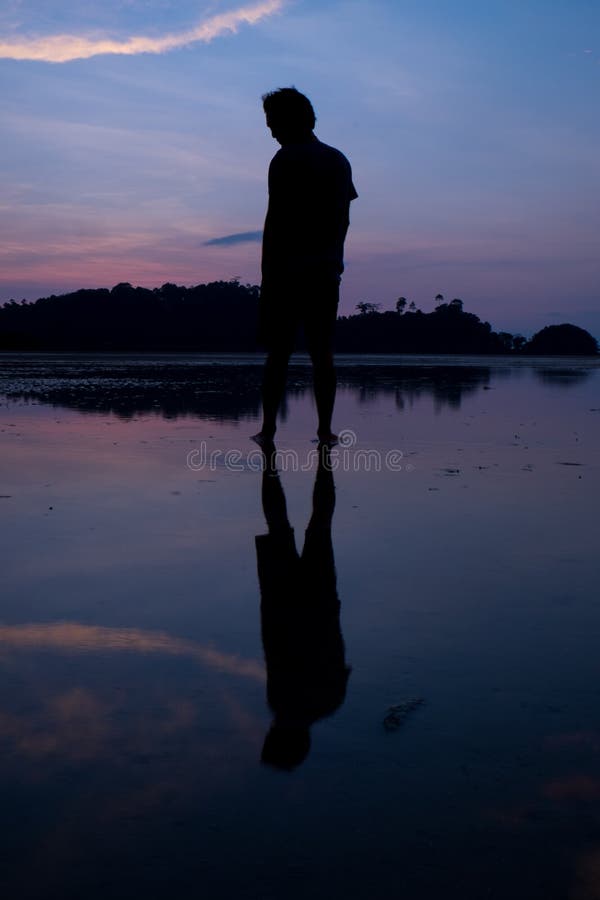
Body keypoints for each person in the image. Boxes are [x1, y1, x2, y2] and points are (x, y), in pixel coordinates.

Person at [253, 87, 358, 447]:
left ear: (291, 121)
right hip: (325, 271)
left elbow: (276, 222)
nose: (271, 131)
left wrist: (267, 276)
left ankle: (268, 430)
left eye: (273, 123)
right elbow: (343, 219)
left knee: (279, 352)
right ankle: (324, 430)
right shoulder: (338, 160)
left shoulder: (285, 160)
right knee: (321, 352)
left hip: (287, 271)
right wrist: (334, 259)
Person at [255, 444, 351, 770]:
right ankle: (275, 460)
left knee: (320, 523)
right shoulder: (279, 703)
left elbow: (339, 658)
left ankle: (321, 458)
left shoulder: (330, 702)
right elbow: (274, 646)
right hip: (283, 607)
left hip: (320, 606)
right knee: (281, 524)